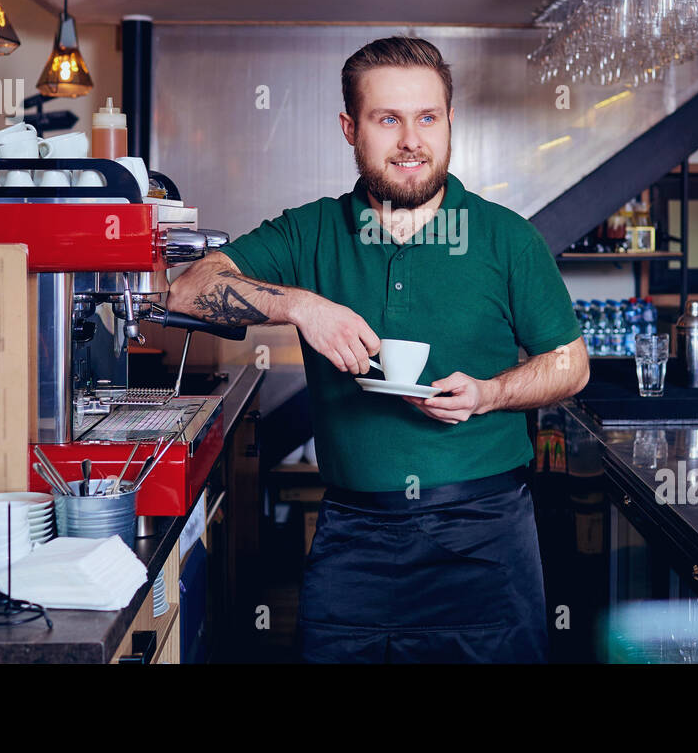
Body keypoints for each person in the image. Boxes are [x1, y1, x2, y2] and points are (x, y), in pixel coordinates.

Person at [168, 35, 589, 662]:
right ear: (349, 128)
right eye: (387, 119)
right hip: (352, 542)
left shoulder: (507, 239)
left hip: (485, 540)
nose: (411, 140)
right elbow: (185, 290)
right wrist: (298, 305)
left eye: (427, 118)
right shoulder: (310, 230)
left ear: (450, 123)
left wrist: (490, 393)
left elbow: (570, 364)